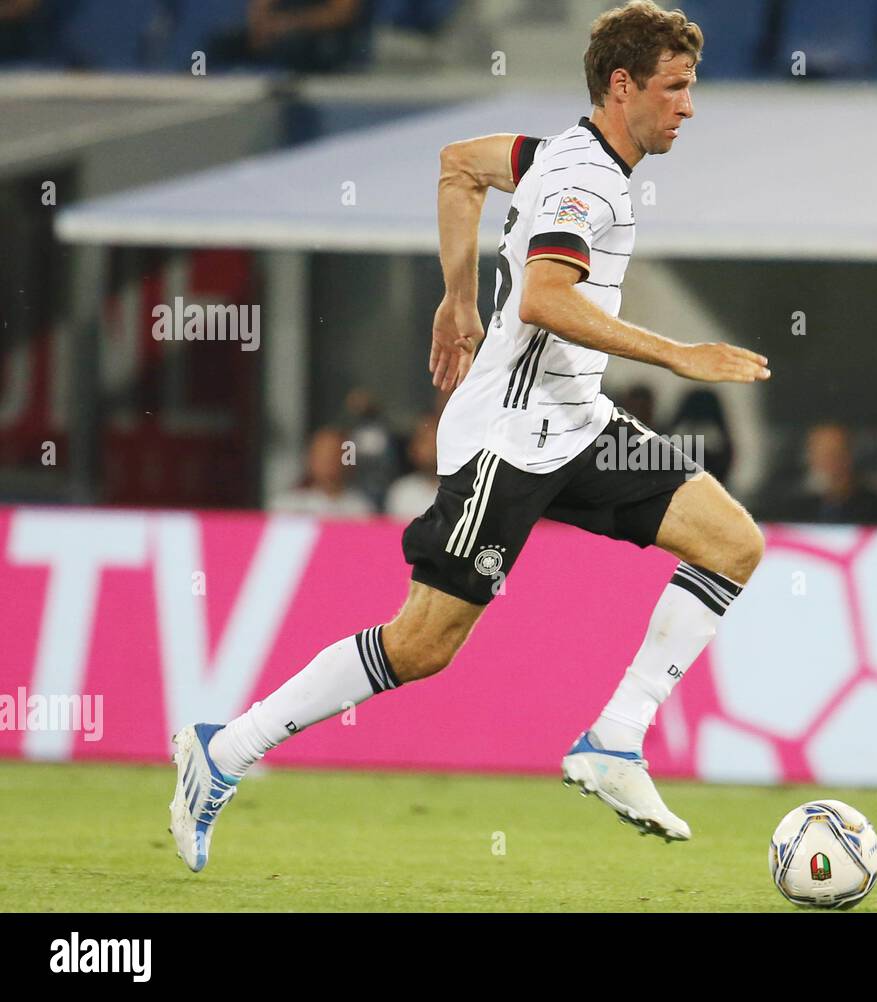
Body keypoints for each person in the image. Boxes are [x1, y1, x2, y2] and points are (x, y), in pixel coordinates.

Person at [169, 1, 770, 871]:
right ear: (623, 84)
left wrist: (456, 295)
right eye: (676, 88)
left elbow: (459, 167)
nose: (689, 106)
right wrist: (681, 355)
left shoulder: (560, 155)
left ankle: (614, 741)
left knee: (732, 544)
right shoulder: (584, 184)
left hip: (578, 422)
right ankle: (222, 752)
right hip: (512, 440)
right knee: (421, 648)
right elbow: (545, 299)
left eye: (692, 88)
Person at [784, 423, 877, 525]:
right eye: (822, 455)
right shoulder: (791, 506)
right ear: (810, 459)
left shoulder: (873, 507)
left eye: (836, 453)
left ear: (849, 457)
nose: (830, 463)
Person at [268, 426, 375, 518]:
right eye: (322, 455)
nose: (328, 462)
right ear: (310, 459)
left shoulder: (360, 508)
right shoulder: (287, 505)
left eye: (335, 455)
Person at [384, 413, 441, 519]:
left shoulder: (463, 492)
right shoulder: (401, 492)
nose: (430, 448)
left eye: (434, 440)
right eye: (424, 440)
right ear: (412, 449)